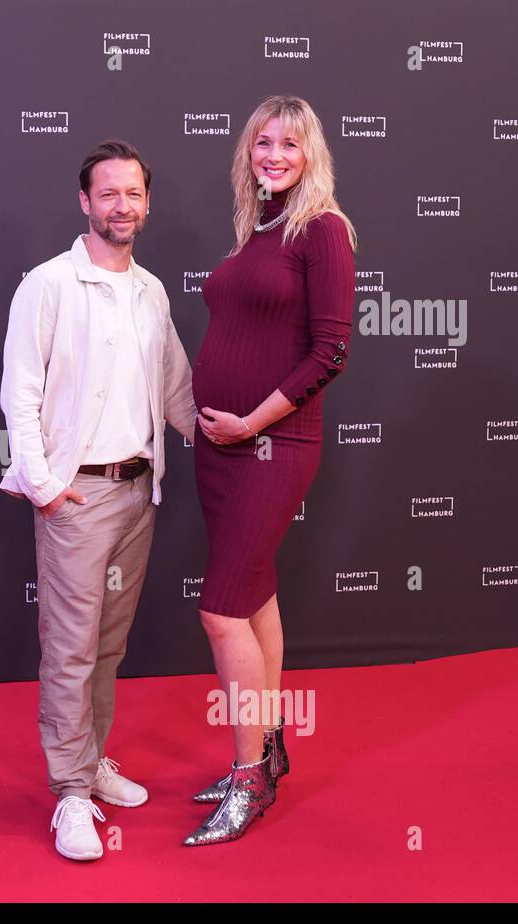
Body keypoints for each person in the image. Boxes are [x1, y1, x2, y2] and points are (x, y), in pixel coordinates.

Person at [0, 140, 198, 861]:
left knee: (108, 644)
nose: (123, 205)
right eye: (108, 193)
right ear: (85, 202)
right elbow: (19, 391)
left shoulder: (151, 291)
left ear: (148, 202)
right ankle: (71, 793)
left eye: (134, 193)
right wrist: (46, 485)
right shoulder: (48, 285)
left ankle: (92, 760)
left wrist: (229, 432)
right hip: (75, 497)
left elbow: (177, 386)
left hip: (139, 489)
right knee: (72, 648)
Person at [184, 96, 357, 845]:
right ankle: (271, 744)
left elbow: (332, 350)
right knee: (254, 597)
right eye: (263, 142)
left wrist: (252, 421)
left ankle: (247, 778)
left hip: (270, 446)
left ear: (310, 152)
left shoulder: (322, 231)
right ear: (248, 152)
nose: (274, 155)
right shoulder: (255, 229)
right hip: (218, 451)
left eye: (289, 143)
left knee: (220, 609)